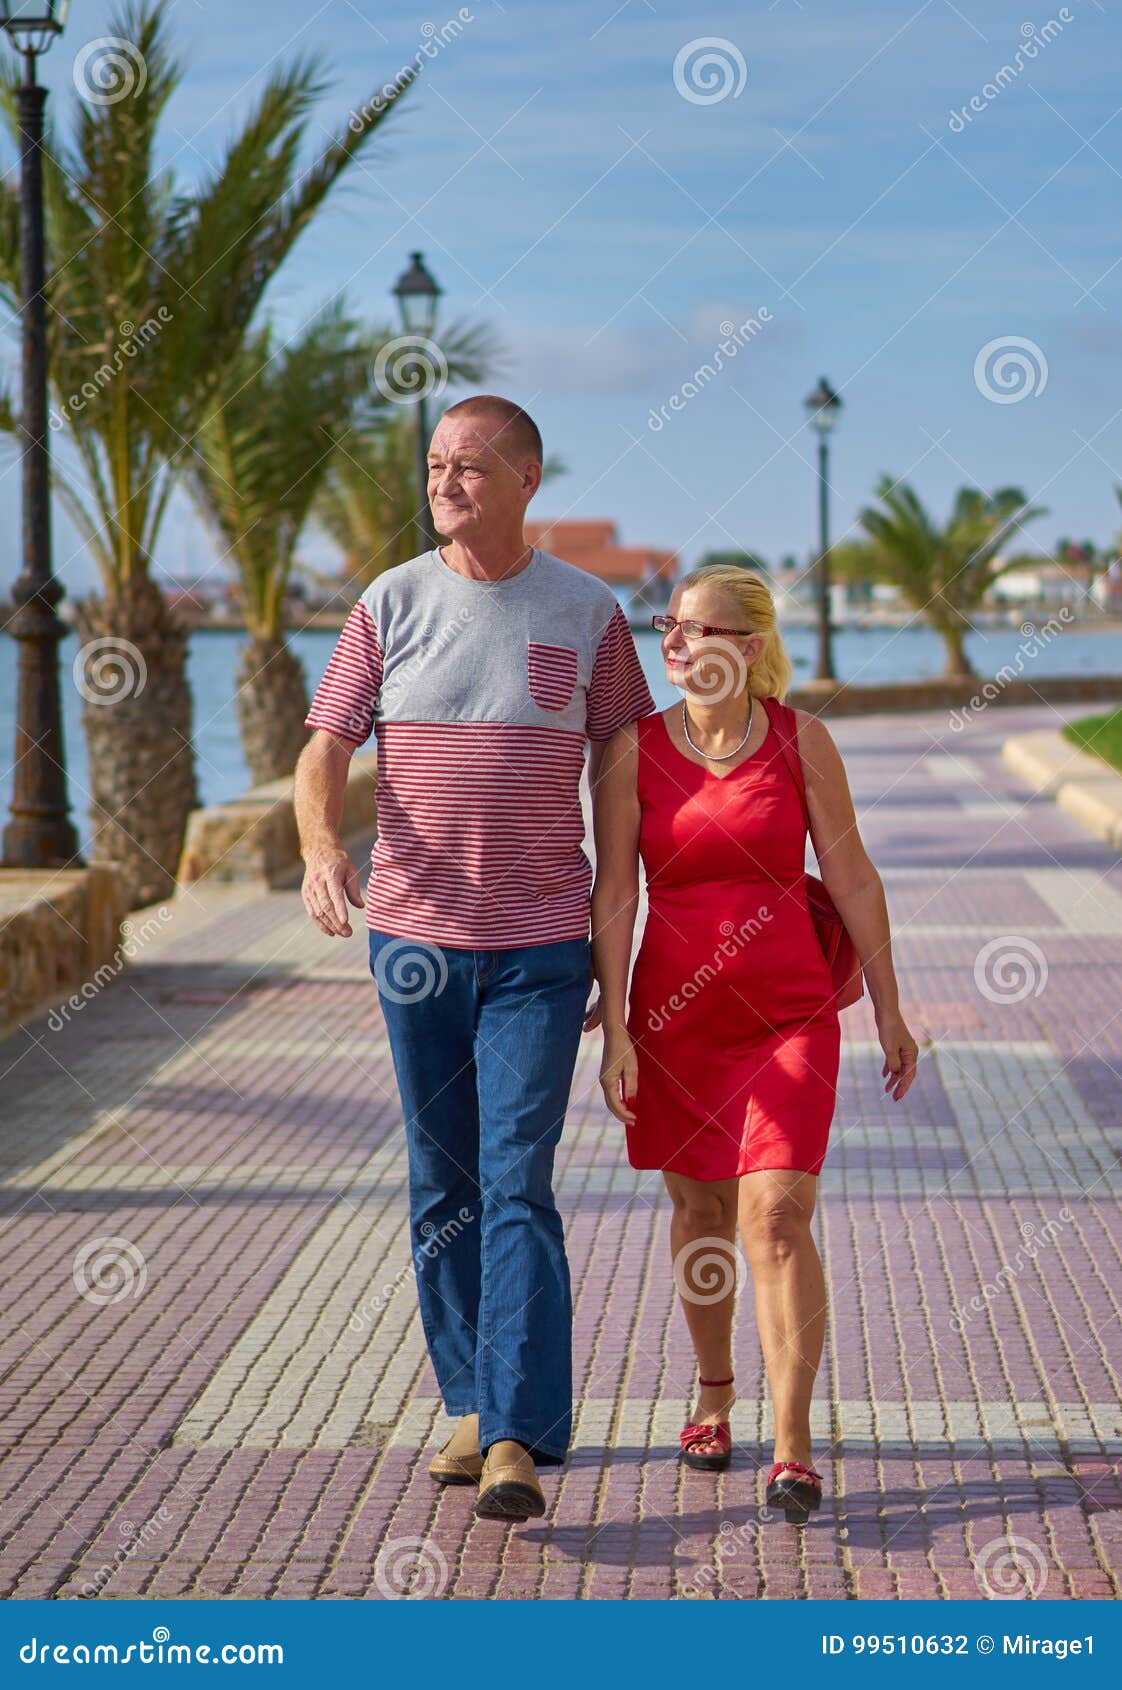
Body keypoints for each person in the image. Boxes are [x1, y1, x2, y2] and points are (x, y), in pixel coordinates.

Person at [294, 395, 654, 1522]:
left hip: (541, 948)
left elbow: (622, 793)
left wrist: (616, 973)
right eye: (437, 464)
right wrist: (320, 849)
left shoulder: (588, 611)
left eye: (470, 467)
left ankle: (512, 1435)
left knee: (516, 1179)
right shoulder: (389, 602)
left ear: (527, 478)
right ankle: (470, 1401)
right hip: (416, 945)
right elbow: (326, 747)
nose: (445, 483)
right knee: (440, 1180)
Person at [589, 563, 918, 1522]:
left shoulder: (801, 740)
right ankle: (714, 1391)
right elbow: (616, 894)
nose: (675, 642)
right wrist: (617, 1029)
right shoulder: (632, 749)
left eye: (699, 628)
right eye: (669, 625)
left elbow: (852, 877)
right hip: (676, 1020)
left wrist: (890, 1008)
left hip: (789, 1016)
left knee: (773, 1216)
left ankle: (792, 1445)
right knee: (700, 1214)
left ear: (750, 645)